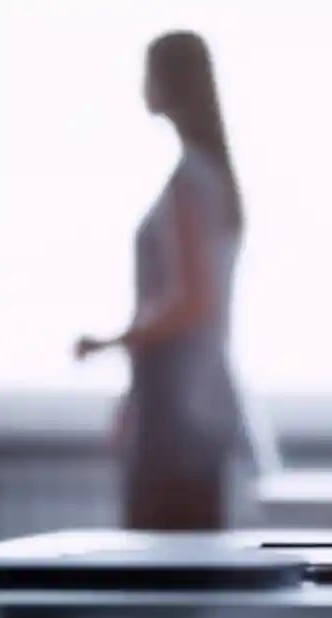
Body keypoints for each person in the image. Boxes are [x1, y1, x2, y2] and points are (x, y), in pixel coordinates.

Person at [75, 31, 245, 531]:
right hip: (187, 403)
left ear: (171, 81)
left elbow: (192, 301)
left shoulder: (192, 179)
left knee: (164, 553)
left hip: (179, 412)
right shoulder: (211, 176)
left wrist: (112, 341)